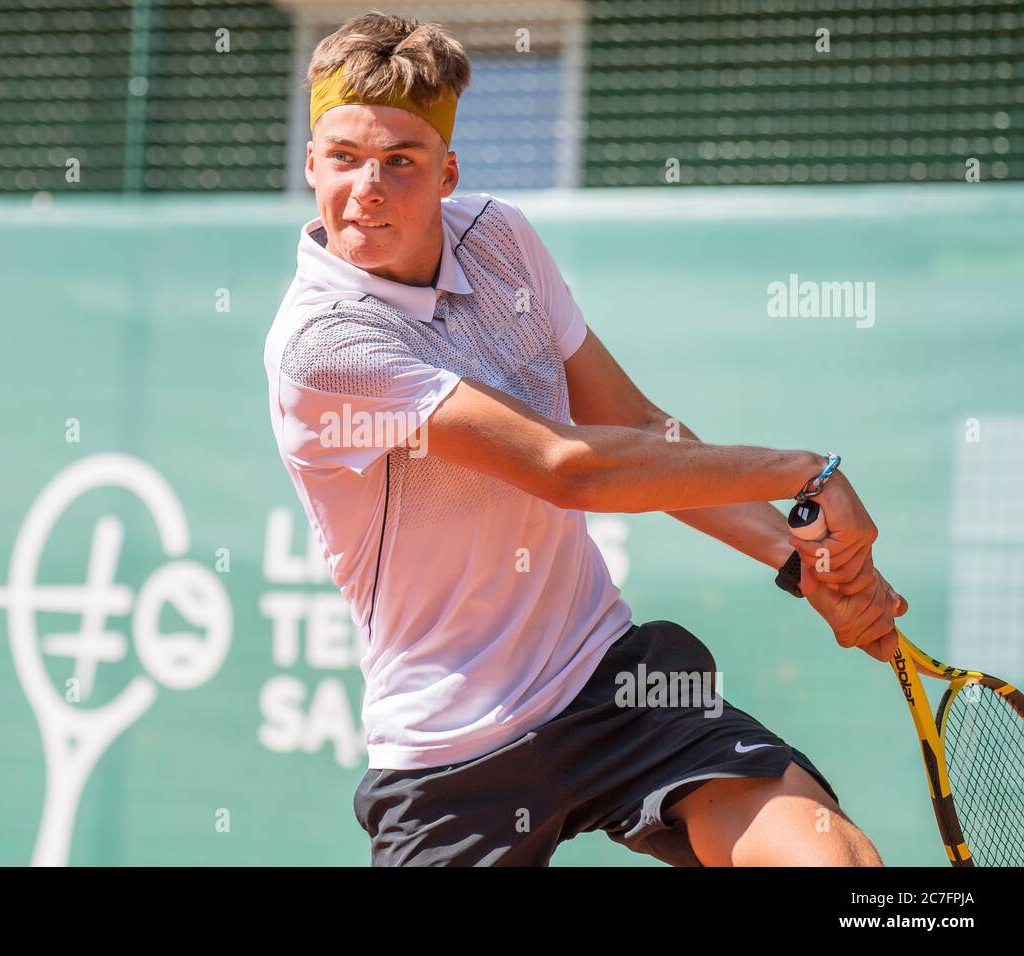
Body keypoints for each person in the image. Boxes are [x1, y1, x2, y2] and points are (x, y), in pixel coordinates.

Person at [262, 12, 907, 866]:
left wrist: (800, 560)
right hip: (450, 754)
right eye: (343, 157)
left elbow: (634, 428)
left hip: (607, 685)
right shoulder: (324, 345)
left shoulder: (500, 239)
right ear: (311, 164)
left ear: (447, 173)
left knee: (836, 862)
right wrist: (805, 472)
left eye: (401, 162)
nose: (367, 187)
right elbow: (569, 468)